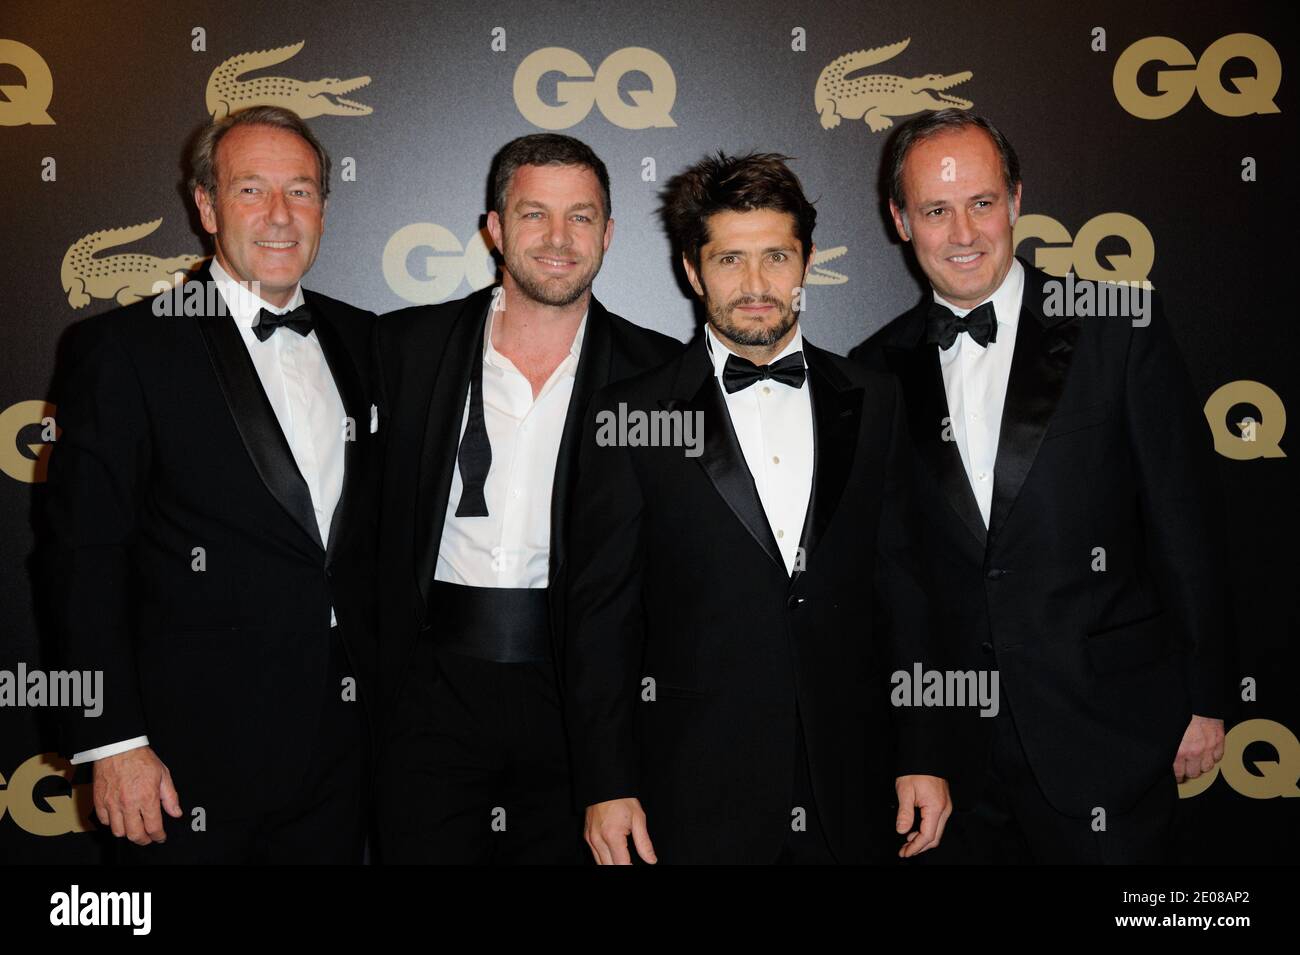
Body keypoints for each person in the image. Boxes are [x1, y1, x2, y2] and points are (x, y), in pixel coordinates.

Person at [852, 109, 1228, 863]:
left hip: (1109, 733)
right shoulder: (873, 371)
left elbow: (1187, 524)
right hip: (957, 764)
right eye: (935, 209)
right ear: (900, 220)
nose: (964, 233)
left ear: (1017, 199)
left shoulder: (1117, 327)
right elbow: (893, 579)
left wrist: (1208, 697)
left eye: (982, 202)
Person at [563, 151, 951, 864]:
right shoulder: (629, 413)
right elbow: (599, 620)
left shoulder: (875, 399)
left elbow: (906, 589)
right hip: (691, 787)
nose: (755, 285)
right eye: (729, 259)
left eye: (776, 256)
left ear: (806, 262)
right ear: (692, 270)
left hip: (852, 782)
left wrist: (923, 749)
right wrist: (606, 782)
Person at [42, 106, 380, 863]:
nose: (280, 216)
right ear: (205, 205)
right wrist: (113, 740)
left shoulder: (365, 340)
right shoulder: (124, 349)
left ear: (324, 205)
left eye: (300, 190)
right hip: (179, 757)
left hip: (339, 748)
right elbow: (81, 558)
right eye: (251, 189)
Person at [372, 134, 680, 864]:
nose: (557, 238)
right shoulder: (402, 347)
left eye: (581, 217)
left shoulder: (661, 373)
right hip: (430, 691)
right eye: (534, 213)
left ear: (608, 234)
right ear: (494, 227)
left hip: (584, 697)